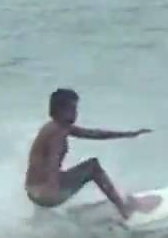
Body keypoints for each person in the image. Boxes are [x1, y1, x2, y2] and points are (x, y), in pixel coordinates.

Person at [25, 88, 151, 219]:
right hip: (46, 193)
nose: (76, 113)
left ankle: (41, 216)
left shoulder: (56, 127)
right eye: (72, 109)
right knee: (92, 167)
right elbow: (53, 159)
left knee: (80, 170)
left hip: (34, 192)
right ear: (60, 110)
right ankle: (124, 210)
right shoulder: (56, 132)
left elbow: (93, 134)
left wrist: (129, 134)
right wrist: (53, 187)